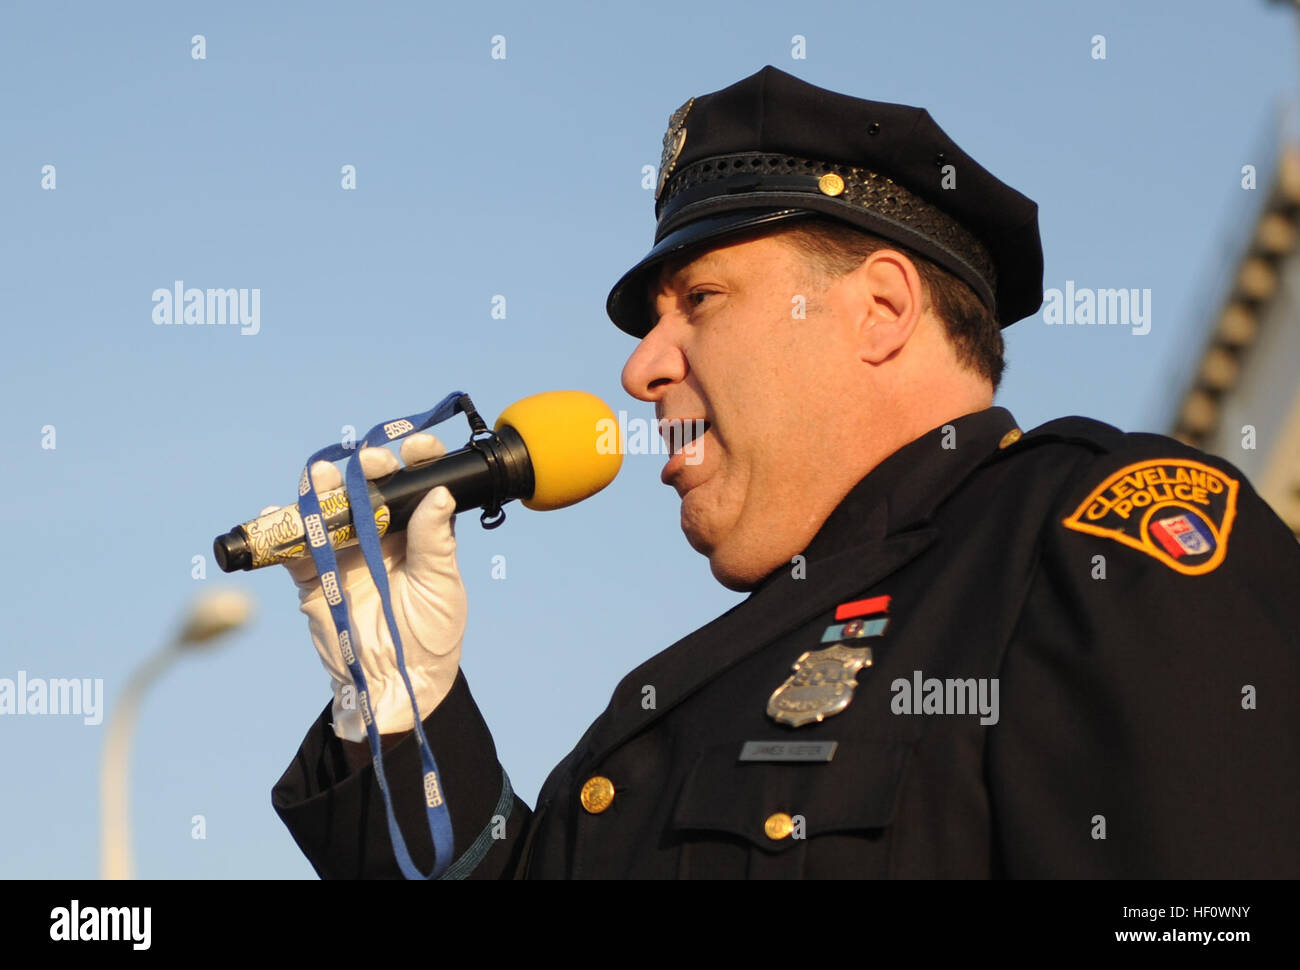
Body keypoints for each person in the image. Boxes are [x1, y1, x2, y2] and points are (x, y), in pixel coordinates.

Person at [271, 66, 1300, 878]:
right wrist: (398, 710)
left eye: (700, 300)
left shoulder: (1088, 547)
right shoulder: (692, 700)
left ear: (880, 310)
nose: (640, 368)